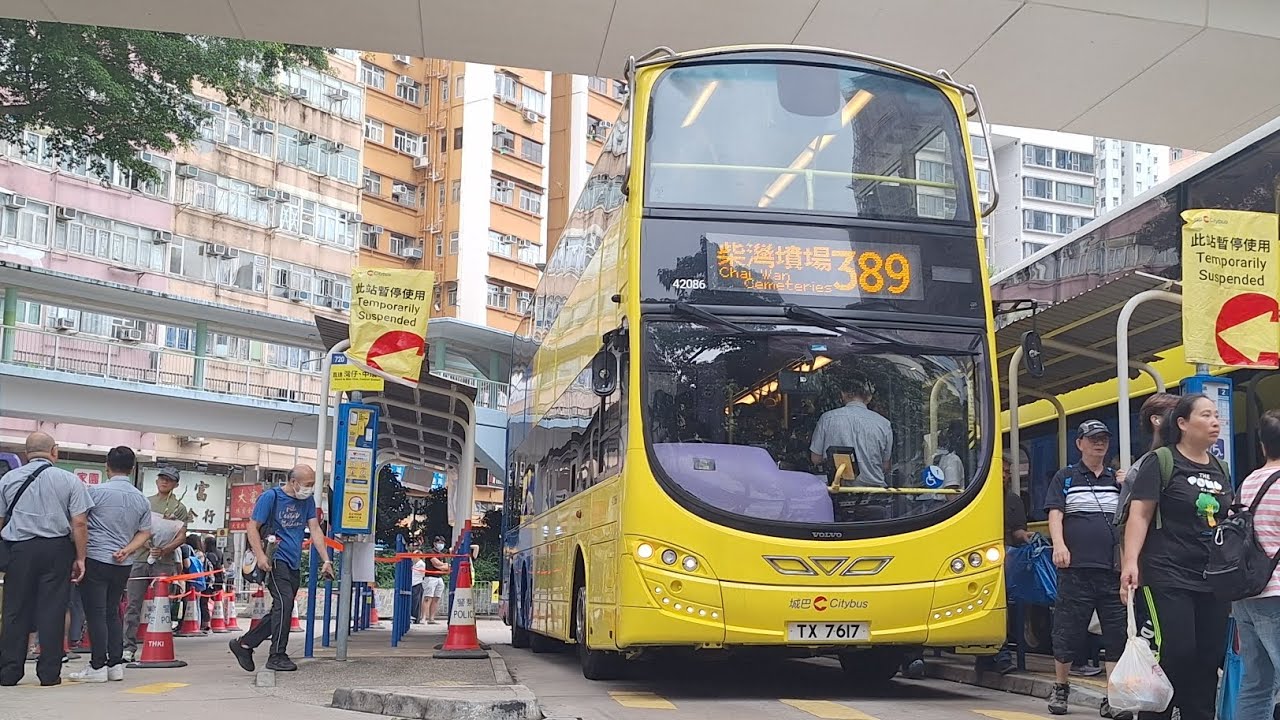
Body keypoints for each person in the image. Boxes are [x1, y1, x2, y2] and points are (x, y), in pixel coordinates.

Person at [1121, 394, 1233, 720]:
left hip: (1211, 578)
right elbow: (1139, 516)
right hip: (1166, 573)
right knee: (1175, 652)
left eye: (1216, 416)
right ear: (1182, 423)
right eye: (1206, 415)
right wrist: (1130, 563)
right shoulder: (1162, 461)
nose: (1215, 422)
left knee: (1208, 658)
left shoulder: (1220, 468)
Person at [1044, 421, 1129, 718]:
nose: (1099, 444)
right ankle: (1061, 687)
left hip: (1111, 571)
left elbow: (1130, 522)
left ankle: (1113, 697)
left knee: (1116, 634)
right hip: (1075, 570)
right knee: (1067, 630)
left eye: (1104, 439)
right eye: (1093, 439)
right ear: (1079, 443)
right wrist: (1059, 545)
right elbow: (1055, 514)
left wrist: (1127, 484)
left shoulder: (1117, 481)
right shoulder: (1065, 478)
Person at [0, 433, 93, 687]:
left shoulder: (8, 479)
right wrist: (81, 558)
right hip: (56, 550)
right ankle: (49, 673)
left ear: (26, 452)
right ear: (54, 451)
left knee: (14, 610)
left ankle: (8, 672)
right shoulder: (69, 480)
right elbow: (80, 523)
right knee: (52, 610)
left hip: (19, 551)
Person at [229, 465, 332, 672]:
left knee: (282, 608)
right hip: (275, 559)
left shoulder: (308, 501)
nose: (310, 489)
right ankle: (277, 655)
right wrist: (260, 555)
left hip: (293, 561)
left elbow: (314, 529)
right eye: (308, 484)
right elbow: (252, 526)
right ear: (293, 482)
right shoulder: (271, 497)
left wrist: (326, 560)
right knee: (284, 604)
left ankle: (244, 644)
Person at [68, 446, 151, 683]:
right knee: (113, 612)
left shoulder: (94, 492)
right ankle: (115, 664)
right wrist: (128, 550)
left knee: (95, 613)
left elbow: (79, 523)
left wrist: (79, 557)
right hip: (123, 563)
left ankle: (97, 666)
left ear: (107, 466)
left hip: (95, 558)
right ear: (132, 468)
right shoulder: (140, 498)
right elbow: (145, 532)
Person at [1232, 410, 1280, 720]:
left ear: (1263, 445)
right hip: (1277, 592)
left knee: (1257, 681)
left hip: (1247, 594)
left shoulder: (1249, 482)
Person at [122, 466, 190, 661]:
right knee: (133, 604)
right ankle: (128, 647)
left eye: (169, 479)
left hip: (165, 561)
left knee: (163, 604)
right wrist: (143, 542)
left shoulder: (179, 508)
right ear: (156, 480)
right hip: (140, 557)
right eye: (162, 478)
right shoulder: (145, 502)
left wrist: (165, 549)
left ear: (175, 484)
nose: (164, 482)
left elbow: (181, 536)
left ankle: (160, 643)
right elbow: (135, 528)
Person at [976, 454, 1032, 675]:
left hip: (1004, 557)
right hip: (978, 557)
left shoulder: (1013, 500)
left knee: (1003, 604)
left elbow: (1018, 530)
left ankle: (1000, 655)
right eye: (1001, 471)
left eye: (1008, 473)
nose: (1004, 476)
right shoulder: (978, 496)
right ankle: (991, 655)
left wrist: (1026, 536)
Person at [809, 374, 893, 488]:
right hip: (875, 495)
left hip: (839, 491)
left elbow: (816, 458)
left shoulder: (827, 418)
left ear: (843, 394)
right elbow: (885, 465)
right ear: (869, 397)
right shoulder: (884, 424)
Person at [421, 536, 449, 624]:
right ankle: (423, 618)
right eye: (439, 543)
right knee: (427, 597)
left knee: (436, 598)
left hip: (439, 578)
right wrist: (444, 565)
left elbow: (444, 567)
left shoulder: (442, 554)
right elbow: (436, 564)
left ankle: (432, 618)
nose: (441, 545)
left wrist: (443, 566)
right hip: (430, 577)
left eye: (442, 543)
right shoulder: (430, 552)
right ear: (434, 543)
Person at [202, 535, 224, 632]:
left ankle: (206, 622)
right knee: (216, 601)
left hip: (211, 581)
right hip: (219, 579)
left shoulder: (209, 555)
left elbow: (209, 568)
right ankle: (217, 619)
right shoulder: (219, 552)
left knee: (204, 601)